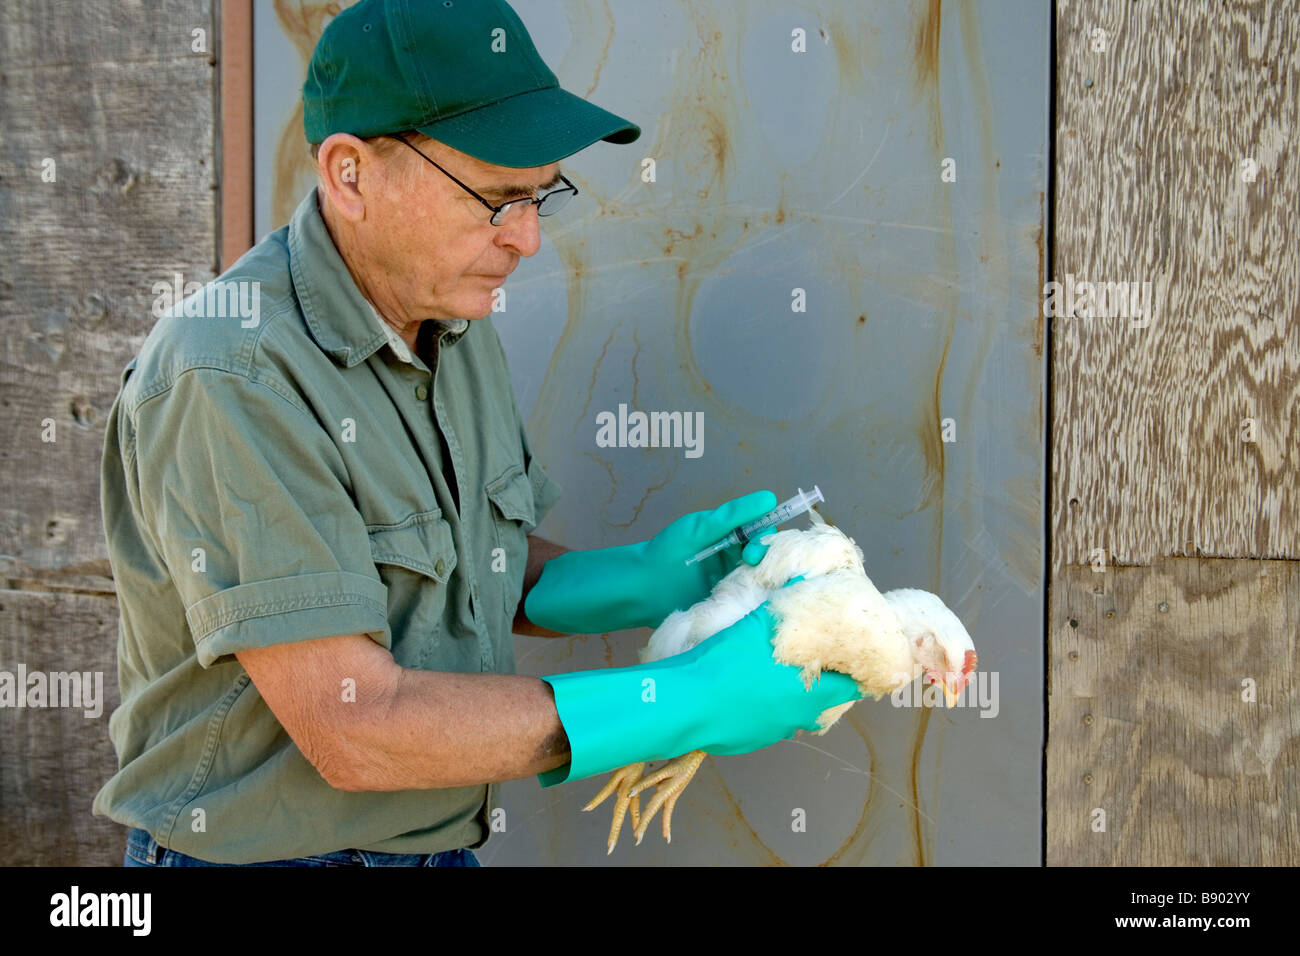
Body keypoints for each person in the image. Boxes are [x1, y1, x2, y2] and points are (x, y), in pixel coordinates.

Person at [96, 0, 859, 867]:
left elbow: (468, 564)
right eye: (495, 199)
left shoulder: (448, 316)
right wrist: (678, 700)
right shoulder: (229, 374)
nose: (527, 239)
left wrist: (637, 579)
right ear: (349, 176)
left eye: (540, 196)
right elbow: (358, 728)